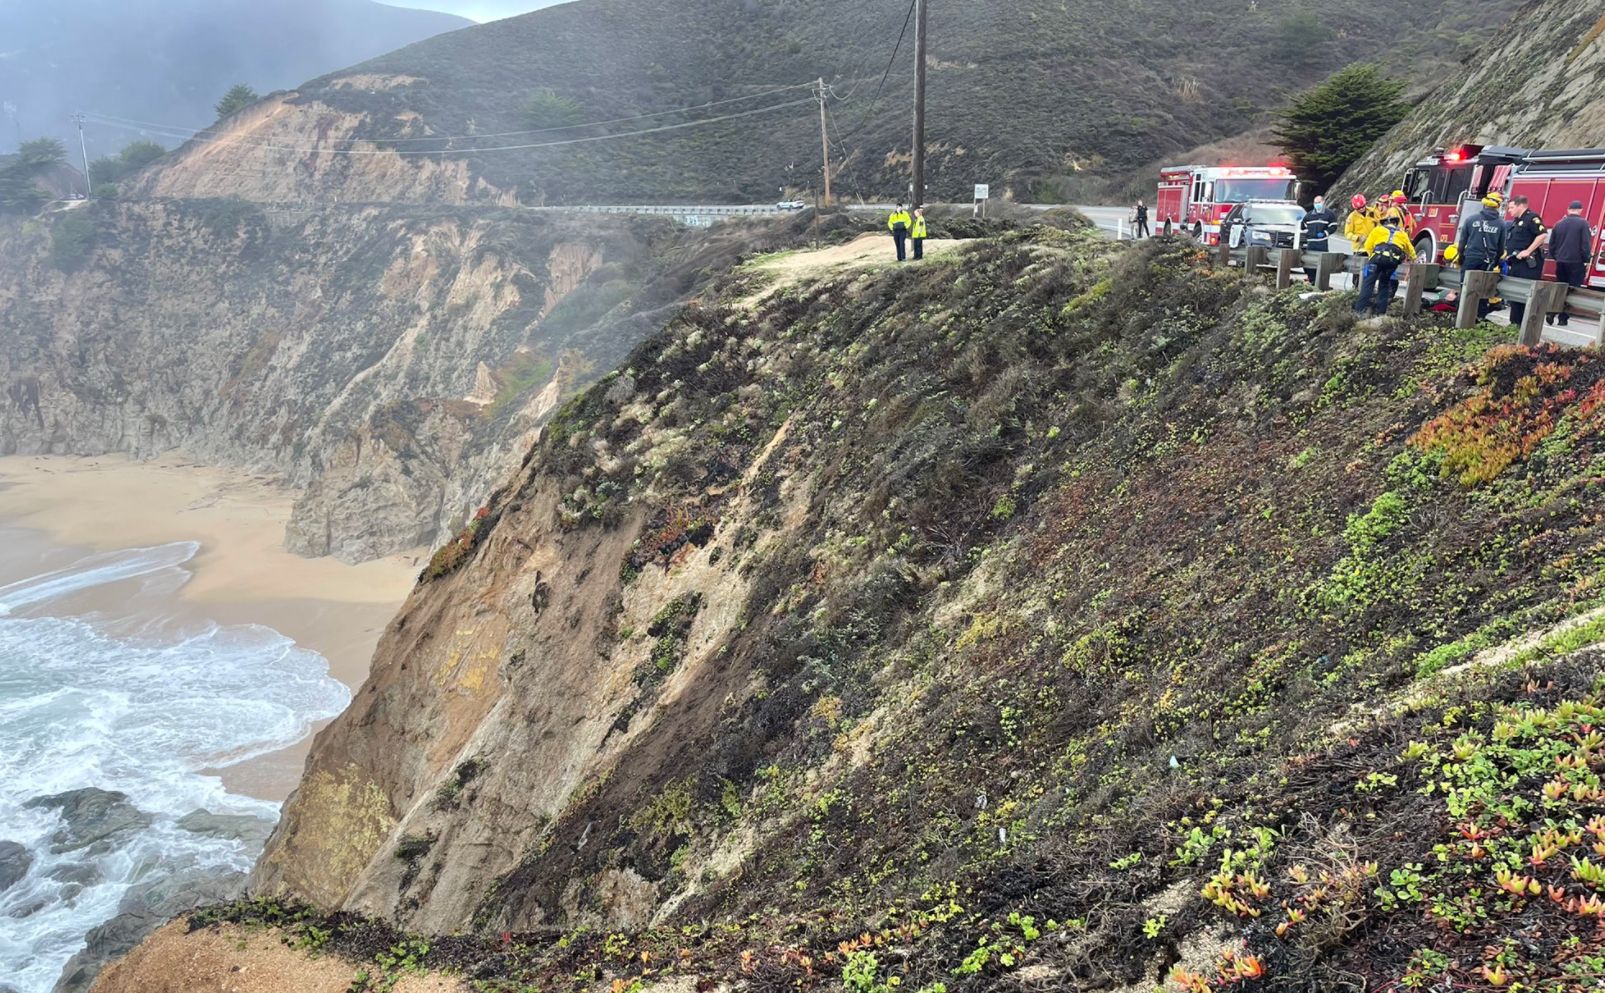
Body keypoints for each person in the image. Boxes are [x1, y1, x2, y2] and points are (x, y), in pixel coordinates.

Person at [1455, 192, 1508, 320]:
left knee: (1466, 288)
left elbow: (1462, 242)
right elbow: (1501, 247)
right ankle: (1480, 317)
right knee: (1484, 290)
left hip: (1470, 258)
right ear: (1498, 206)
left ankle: (1462, 316)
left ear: (1484, 204)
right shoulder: (1501, 224)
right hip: (1488, 261)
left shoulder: (1471, 219)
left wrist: (1460, 255)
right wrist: (1496, 261)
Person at [1355, 214, 1416, 317]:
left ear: (1384, 223)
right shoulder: (1402, 234)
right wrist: (1414, 259)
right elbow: (1411, 251)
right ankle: (1381, 313)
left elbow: (1368, 246)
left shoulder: (1378, 230)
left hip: (1377, 258)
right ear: (1395, 224)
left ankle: (1359, 311)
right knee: (1384, 285)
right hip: (1392, 262)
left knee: (1368, 283)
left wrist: (1372, 256)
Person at [1503, 194, 1549, 326]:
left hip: (1528, 265)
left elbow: (1543, 235)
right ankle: (1514, 322)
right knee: (1515, 293)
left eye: (1511, 207)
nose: (1509, 211)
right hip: (1516, 263)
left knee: (1523, 294)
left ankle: (1522, 323)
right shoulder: (1517, 221)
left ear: (1520, 205)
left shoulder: (1532, 218)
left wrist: (1528, 251)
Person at [1547, 200, 1592, 327]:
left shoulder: (1558, 224)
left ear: (1568, 209)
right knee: (1572, 291)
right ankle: (1563, 318)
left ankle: (1551, 311)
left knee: (1560, 288)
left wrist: (1557, 257)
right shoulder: (1583, 224)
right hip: (1576, 262)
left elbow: (1552, 245)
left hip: (1561, 262)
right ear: (1580, 210)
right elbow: (1585, 245)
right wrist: (1586, 260)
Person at [1301, 195, 1336, 283]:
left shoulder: (1329, 214)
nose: (1317, 204)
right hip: (1311, 244)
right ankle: (1311, 280)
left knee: (1321, 264)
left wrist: (1325, 233)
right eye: (1316, 203)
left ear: (1323, 202)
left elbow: (1333, 227)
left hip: (1322, 244)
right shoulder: (1309, 215)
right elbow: (1303, 226)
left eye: (1319, 202)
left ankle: (1320, 282)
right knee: (1309, 263)